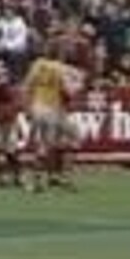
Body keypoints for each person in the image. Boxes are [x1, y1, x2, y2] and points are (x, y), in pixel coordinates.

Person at [22, 46, 81, 191]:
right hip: (52, 109)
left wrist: (27, 109)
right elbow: (69, 91)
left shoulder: (36, 65)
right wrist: (77, 86)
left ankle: (49, 177)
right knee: (72, 138)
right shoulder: (61, 68)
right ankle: (58, 177)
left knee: (49, 143)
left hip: (38, 108)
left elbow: (27, 87)